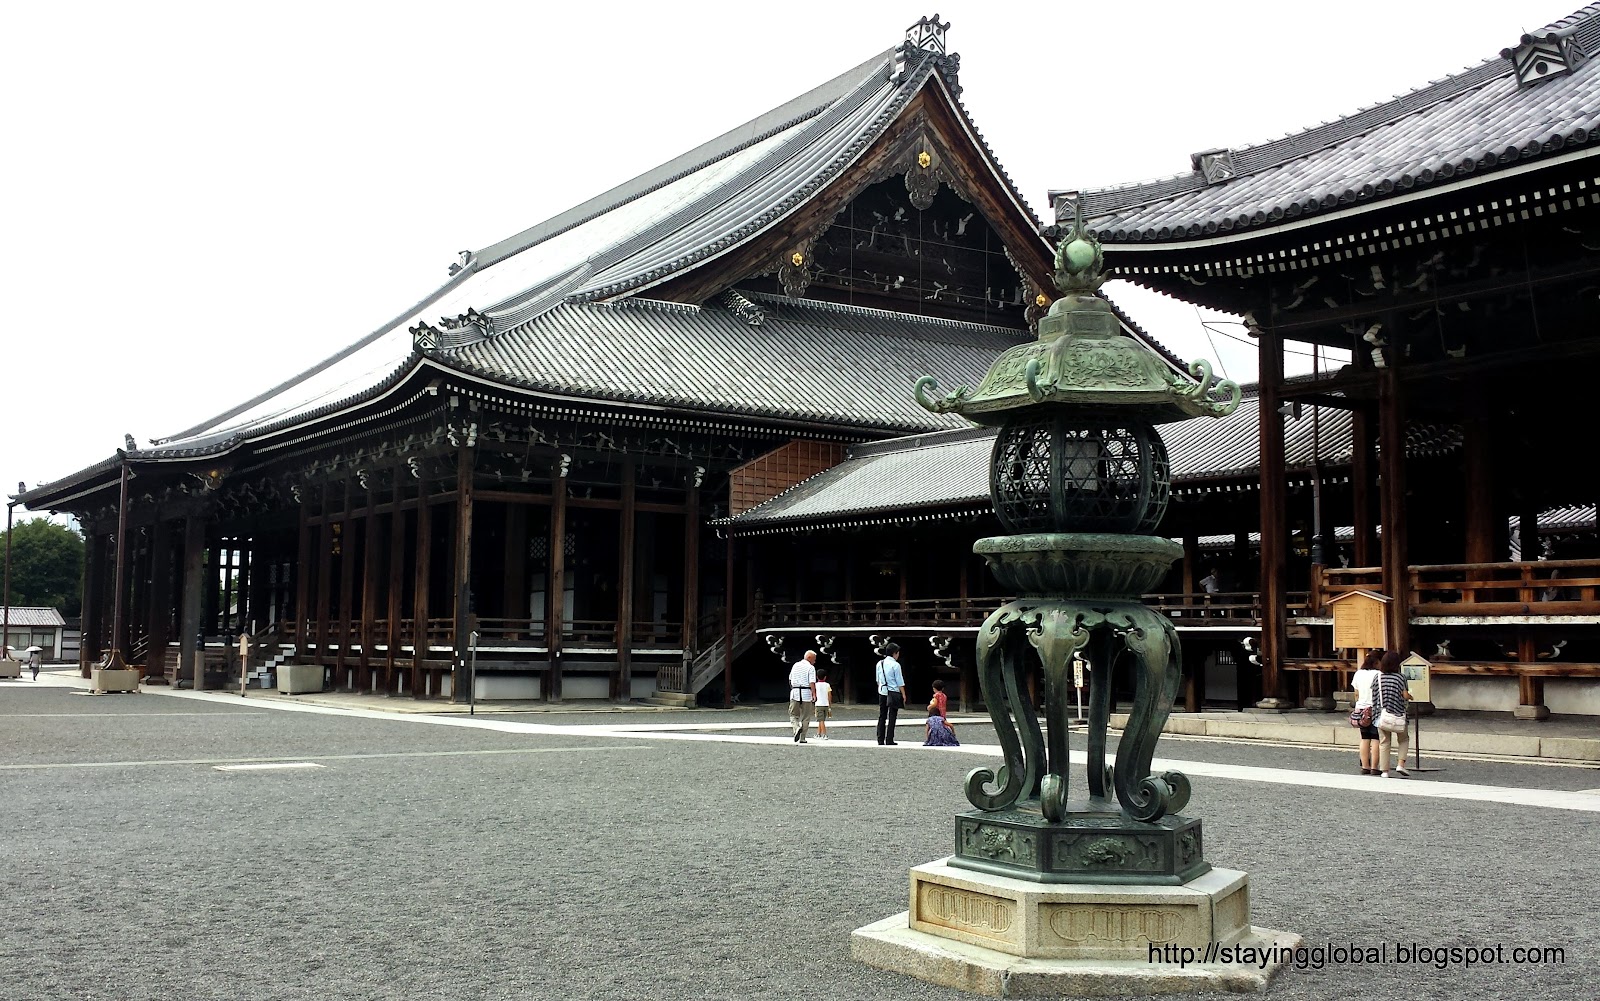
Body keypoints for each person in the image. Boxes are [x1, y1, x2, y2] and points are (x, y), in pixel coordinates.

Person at [1374, 650, 1412, 778]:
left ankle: (1384, 771)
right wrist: (1410, 697)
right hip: (1399, 713)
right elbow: (1405, 695)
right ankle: (1400, 764)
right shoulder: (1400, 677)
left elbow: (1374, 696)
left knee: (1384, 742)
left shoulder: (1377, 677)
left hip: (1382, 714)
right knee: (1404, 739)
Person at [1350, 649, 1384, 775]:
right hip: (1375, 709)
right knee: (1375, 738)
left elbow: (1356, 694)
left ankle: (1365, 766)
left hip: (1361, 709)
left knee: (1364, 738)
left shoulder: (1358, 673)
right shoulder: (1379, 674)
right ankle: (1375, 767)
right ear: (1378, 661)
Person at [875, 643, 906, 745]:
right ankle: (889, 739)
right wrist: (903, 694)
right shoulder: (896, 665)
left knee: (882, 716)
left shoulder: (880, 663)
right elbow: (899, 682)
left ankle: (880, 739)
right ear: (894, 653)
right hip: (893, 692)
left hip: (882, 691)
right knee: (892, 716)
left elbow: (878, 680)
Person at [788, 650, 818, 743]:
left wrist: (793, 689)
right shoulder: (811, 667)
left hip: (795, 692)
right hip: (806, 694)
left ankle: (796, 727)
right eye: (814, 659)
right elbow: (811, 682)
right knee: (806, 717)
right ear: (809, 658)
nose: (815, 661)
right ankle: (803, 738)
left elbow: (790, 679)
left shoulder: (795, 665)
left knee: (793, 714)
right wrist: (814, 694)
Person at [923, 679, 959, 747]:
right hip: (943, 712)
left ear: (934, 688)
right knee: (943, 725)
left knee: (934, 725)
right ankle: (946, 737)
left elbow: (935, 703)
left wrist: (929, 707)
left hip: (936, 712)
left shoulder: (936, 695)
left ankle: (931, 739)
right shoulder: (944, 696)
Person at [813, 668, 833, 740]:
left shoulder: (815, 685)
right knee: (821, 720)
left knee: (820, 720)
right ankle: (818, 734)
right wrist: (830, 705)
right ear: (825, 677)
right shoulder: (827, 685)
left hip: (818, 704)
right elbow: (829, 695)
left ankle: (824, 734)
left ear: (816, 677)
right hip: (826, 704)